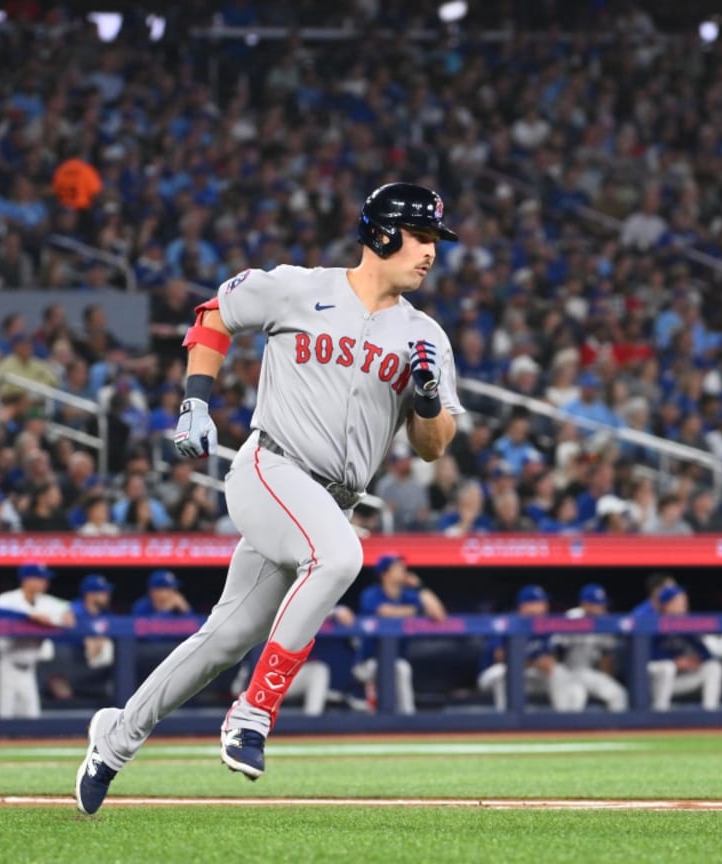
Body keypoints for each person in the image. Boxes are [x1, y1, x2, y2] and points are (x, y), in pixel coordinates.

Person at [78, 182, 464, 813]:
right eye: (420, 237)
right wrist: (196, 400)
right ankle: (253, 711)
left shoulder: (426, 336)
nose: (429, 253)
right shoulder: (298, 287)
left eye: (433, 242)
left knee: (224, 639)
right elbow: (213, 316)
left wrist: (423, 396)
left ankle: (113, 740)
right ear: (383, 234)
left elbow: (434, 445)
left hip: (327, 502)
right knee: (341, 559)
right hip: (271, 469)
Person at [352, 554, 446, 715]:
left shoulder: (408, 595)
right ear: (385, 573)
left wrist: (419, 587)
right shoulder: (371, 593)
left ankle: (407, 719)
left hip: (396, 660)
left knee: (400, 667)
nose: (404, 571)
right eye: (398, 567)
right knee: (400, 668)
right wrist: (415, 610)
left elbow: (439, 614)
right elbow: (385, 612)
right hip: (367, 663)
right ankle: (400, 715)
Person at [0, 562, 74, 719]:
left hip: (29, 669)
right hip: (6, 666)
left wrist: (69, 612)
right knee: (3, 716)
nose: (45, 583)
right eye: (40, 579)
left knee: (32, 717)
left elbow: (68, 607)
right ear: (27, 580)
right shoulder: (7, 599)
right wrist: (29, 617)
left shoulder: (46, 602)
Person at [476, 585, 575, 712]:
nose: (545, 606)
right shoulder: (508, 622)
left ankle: (564, 719)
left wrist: (548, 662)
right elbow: (499, 657)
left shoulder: (544, 627)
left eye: (544, 602)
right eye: (539, 603)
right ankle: (506, 722)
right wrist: (533, 663)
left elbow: (550, 655)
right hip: (493, 675)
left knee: (559, 671)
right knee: (505, 674)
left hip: (527, 676)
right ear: (525, 606)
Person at [647, 584, 722, 711]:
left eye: (684, 600)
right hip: (654, 681)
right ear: (667, 605)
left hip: (679, 680)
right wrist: (675, 662)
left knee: (714, 666)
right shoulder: (653, 624)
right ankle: (660, 713)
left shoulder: (689, 625)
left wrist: (697, 659)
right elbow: (645, 656)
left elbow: (706, 654)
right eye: (679, 601)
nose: (684, 604)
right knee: (667, 667)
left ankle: (710, 715)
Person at [552, 583, 628, 712]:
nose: (601, 607)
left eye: (601, 603)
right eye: (596, 604)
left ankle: (615, 730)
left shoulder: (604, 621)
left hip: (589, 672)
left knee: (618, 695)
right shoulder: (572, 618)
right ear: (584, 604)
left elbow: (606, 655)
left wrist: (605, 678)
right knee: (576, 697)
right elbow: (556, 649)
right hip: (568, 672)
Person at [73, 574, 116, 671]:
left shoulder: (106, 613)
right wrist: (84, 640)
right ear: (90, 595)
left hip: (102, 665)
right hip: (74, 661)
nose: (107, 595)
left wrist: (100, 639)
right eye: (103, 592)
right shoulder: (74, 610)